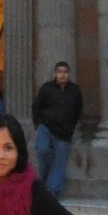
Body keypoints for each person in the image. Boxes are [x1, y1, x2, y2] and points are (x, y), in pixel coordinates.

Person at [31, 60, 83, 197]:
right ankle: (43, 180)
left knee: (60, 162)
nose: (62, 75)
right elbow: (37, 106)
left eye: (65, 72)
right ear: (55, 73)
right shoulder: (46, 88)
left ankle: (51, 192)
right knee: (43, 150)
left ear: (69, 74)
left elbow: (78, 110)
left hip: (65, 131)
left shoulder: (75, 91)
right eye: (60, 72)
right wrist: (38, 124)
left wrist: (71, 127)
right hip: (46, 128)